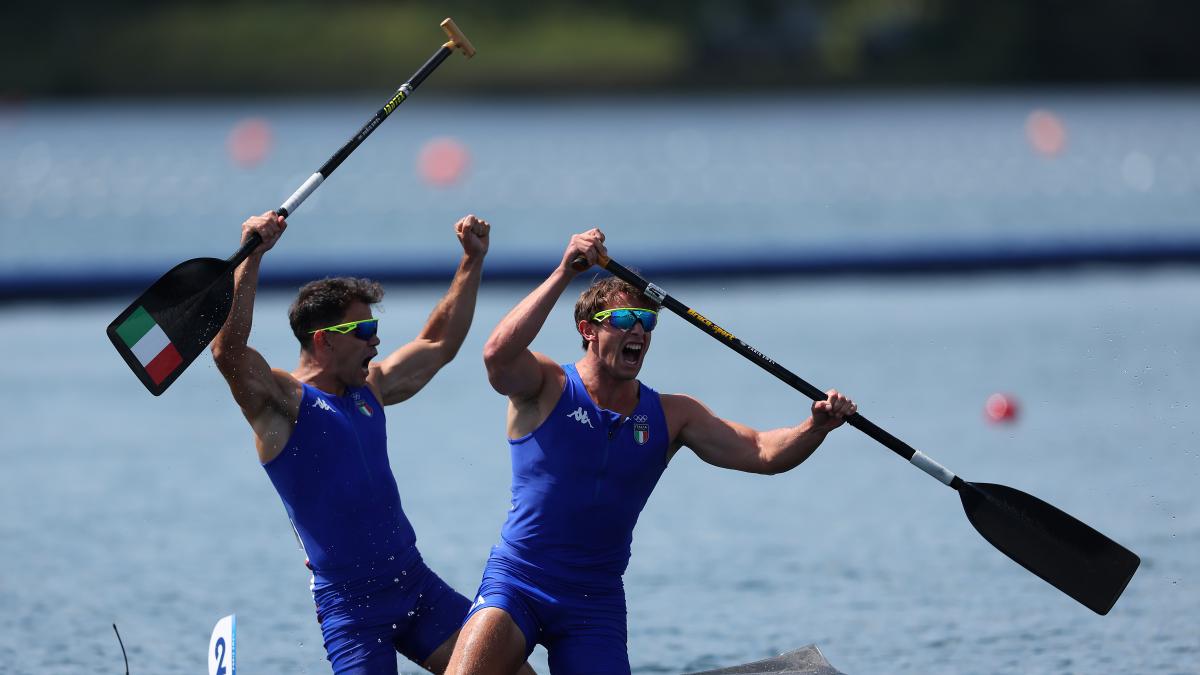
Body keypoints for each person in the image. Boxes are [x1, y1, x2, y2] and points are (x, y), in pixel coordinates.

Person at [445, 228, 858, 675]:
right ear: (588, 330)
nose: (638, 330)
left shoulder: (673, 414)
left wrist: (815, 427)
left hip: (594, 602)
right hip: (520, 581)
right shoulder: (547, 386)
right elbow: (498, 356)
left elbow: (762, 453)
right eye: (624, 319)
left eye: (647, 320)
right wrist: (564, 271)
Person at [212, 211, 523, 675]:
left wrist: (471, 261)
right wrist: (251, 256)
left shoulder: (370, 389)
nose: (375, 343)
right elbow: (228, 352)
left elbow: (438, 343)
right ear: (324, 341)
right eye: (362, 332)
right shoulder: (282, 405)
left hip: (415, 585)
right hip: (352, 607)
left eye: (374, 330)